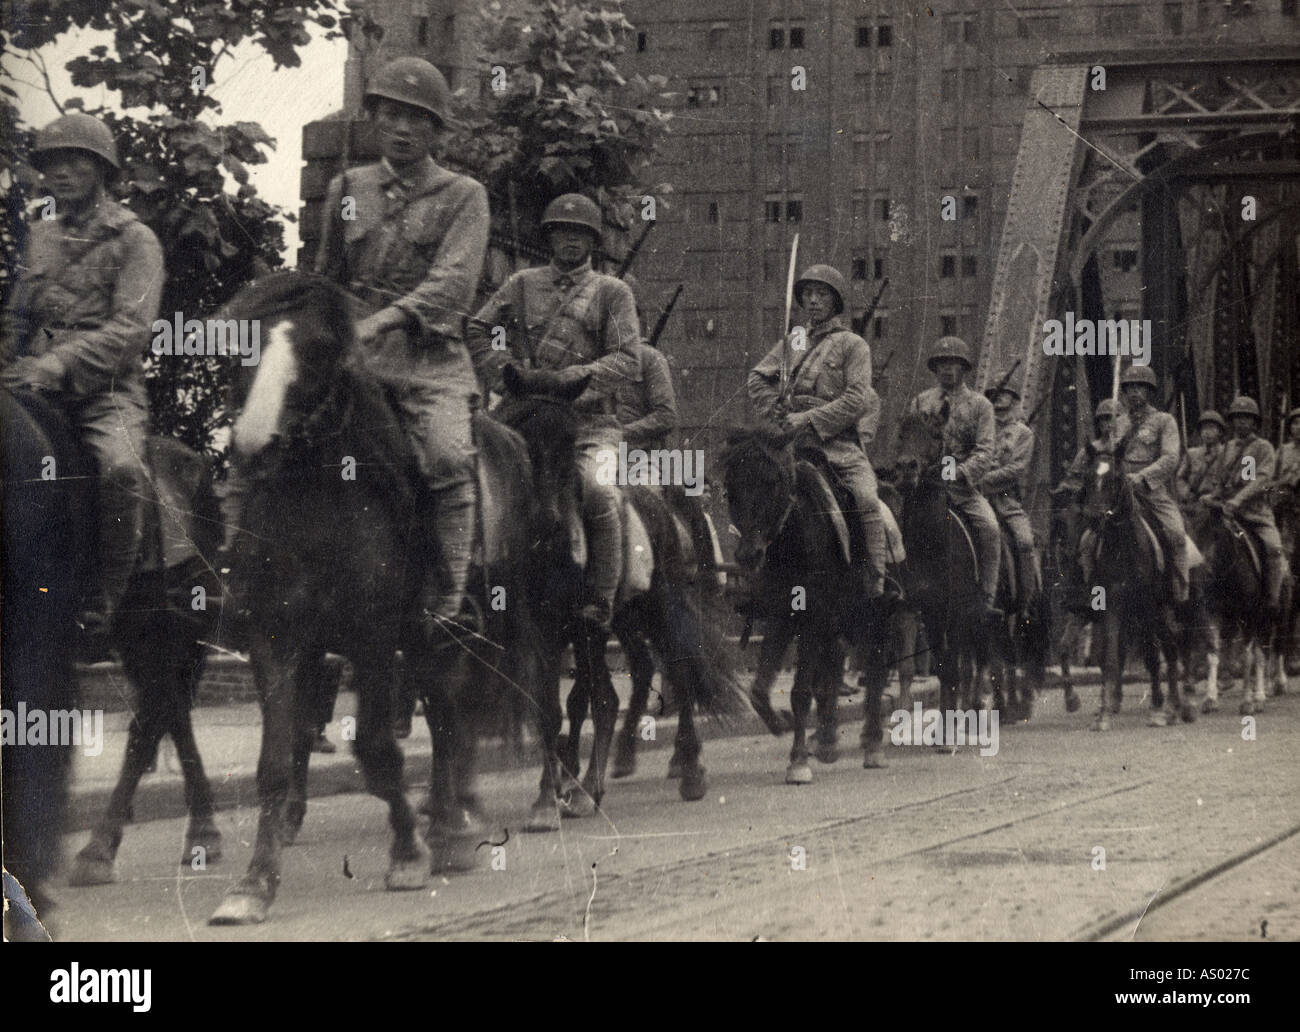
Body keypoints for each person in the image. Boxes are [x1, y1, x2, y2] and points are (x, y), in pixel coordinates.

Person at [312, 56, 488, 658]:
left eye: (418, 119)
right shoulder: (348, 188)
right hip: (354, 364)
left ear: (438, 132)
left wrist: (382, 320)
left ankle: (451, 597)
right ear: (374, 119)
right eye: (392, 114)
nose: (403, 129)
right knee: (285, 440)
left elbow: (453, 286)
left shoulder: (464, 196)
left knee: (445, 458)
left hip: (427, 363)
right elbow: (327, 276)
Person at [2, 113, 164, 662]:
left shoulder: (136, 239)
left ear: (101, 169)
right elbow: (17, 320)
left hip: (104, 390)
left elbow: (131, 331)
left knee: (120, 468)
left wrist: (56, 365)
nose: (62, 171)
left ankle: (103, 601)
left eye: (76, 160)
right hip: (26, 383)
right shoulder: (41, 236)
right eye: (51, 162)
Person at [467, 193, 639, 629]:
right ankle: (469, 588)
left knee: (599, 491)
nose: (570, 241)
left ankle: (600, 597)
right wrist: (503, 372)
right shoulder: (521, 284)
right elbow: (478, 328)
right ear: (549, 236)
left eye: (580, 234)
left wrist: (576, 379)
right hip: (522, 417)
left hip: (589, 423)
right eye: (562, 232)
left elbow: (627, 359)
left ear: (593, 242)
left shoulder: (612, 293)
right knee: (471, 478)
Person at [747, 264, 895, 600]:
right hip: (792, 445)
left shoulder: (852, 345)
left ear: (836, 300)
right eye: (808, 294)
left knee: (868, 500)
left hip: (838, 445)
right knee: (757, 489)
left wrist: (810, 418)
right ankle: (756, 578)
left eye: (821, 294)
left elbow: (858, 399)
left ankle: (877, 581)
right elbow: (756, 378)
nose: (813, 301)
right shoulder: (793, 341)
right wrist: (778, 410)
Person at [904, 336, 1000, 621]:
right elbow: (911, 441)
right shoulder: (921, 402)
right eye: (942, 364)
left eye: (954, 364)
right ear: (934, 368)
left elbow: (985, 452)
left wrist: (958, 472)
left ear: (964, 368)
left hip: (961, 487)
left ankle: (986, 596)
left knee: (990, 528)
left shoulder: (980, 406)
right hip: (924, 486)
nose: (947, 369)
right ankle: (900, 586)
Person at [1112, 365, 1189, 603]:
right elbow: (1109, 455)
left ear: (1149, 391)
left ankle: (1180, 590)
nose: (1134, 392)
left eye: (1139, 387)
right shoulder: (1119, 423)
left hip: (1151, 493)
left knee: (1176, 534)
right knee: (1087, 536)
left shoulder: (1164, 421)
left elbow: (1170, 458)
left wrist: (1143, 477)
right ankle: (1087, 593)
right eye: (1129, 388)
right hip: (1119, 492)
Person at [1204, 396, 1286, 614]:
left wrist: (1237, 500)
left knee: (1274, 548)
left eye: (1246, 418)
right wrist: (1212, 496)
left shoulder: (1263, 448)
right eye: (1237, 418)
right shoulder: (1227, 448)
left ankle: (1272, 598)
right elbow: (1221, 482)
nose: (1241, 422)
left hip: (1255, 514)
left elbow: (1262, 479)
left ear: (1255, 423)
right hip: (1228, 513)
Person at [982, 374, 1041, 617]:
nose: (1000, 399)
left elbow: (1016, 469)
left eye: (1006, 394)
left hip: (1005, 500)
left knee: (1025, 542)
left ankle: (1025, 602)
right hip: (974, 496)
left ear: (1014, 399)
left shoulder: (1023, 433)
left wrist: (984, 480)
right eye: (996, 394)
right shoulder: (980, 428)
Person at [614, 274, 678, 453]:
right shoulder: (594, 358)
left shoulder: (650, 358)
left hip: (639, 456)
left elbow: (666, 417)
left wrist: (620, 434)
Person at [1176, 410, 1226, 513]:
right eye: (1204, 428)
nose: (1207, 432)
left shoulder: (1228, 453)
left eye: (1211, 428)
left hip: (1218, 504)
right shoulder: (1192, 454)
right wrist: (1185, 492)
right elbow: (1180, 477)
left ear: (1220, 431)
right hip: (1195, 504)